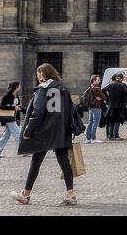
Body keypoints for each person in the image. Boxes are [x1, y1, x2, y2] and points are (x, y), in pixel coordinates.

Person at [11, 62, 81, 207]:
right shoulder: (63, 89)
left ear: (43, 74)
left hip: (44, 131)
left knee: (36, 162)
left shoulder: (43, 89)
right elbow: (68, 110)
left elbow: (38, 112)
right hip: (61, 130)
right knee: (64, 163)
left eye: (38, 73)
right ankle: (71, 194)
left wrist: (28, 130)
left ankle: (26, 193)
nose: (37, 76)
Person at [0, 82, 23, 157]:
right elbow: (2, 106)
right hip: (8, 118)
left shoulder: (16, 95)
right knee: (18, 134)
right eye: (19, 86)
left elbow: (16, 106)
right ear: (16, 87)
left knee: (6, 136)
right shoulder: (7, 95)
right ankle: (24, 151)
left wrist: (20, 108)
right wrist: (13, 107)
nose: (20, 87)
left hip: (13, 116)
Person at [103, 72, 127, 141]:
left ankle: (110, 136)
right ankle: (116, 136)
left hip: (111, 105)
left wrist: (107, 98)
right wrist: (125, 100)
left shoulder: (111, 85)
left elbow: (103, 90)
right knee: (117, 121)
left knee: (111, 120)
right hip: (119, 106)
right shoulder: (122, 85)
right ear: (122, 79)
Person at [81, 75, 105, 143]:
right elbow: (103, 97)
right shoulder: (97, 88)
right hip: (96, 107)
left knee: (90, 123)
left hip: (91, 107)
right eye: (98, 80)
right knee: (95, 123)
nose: (99, 81)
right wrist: (101, 98)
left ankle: (88, 139)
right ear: (94, 80)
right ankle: (93, 138)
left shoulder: (90, 87)